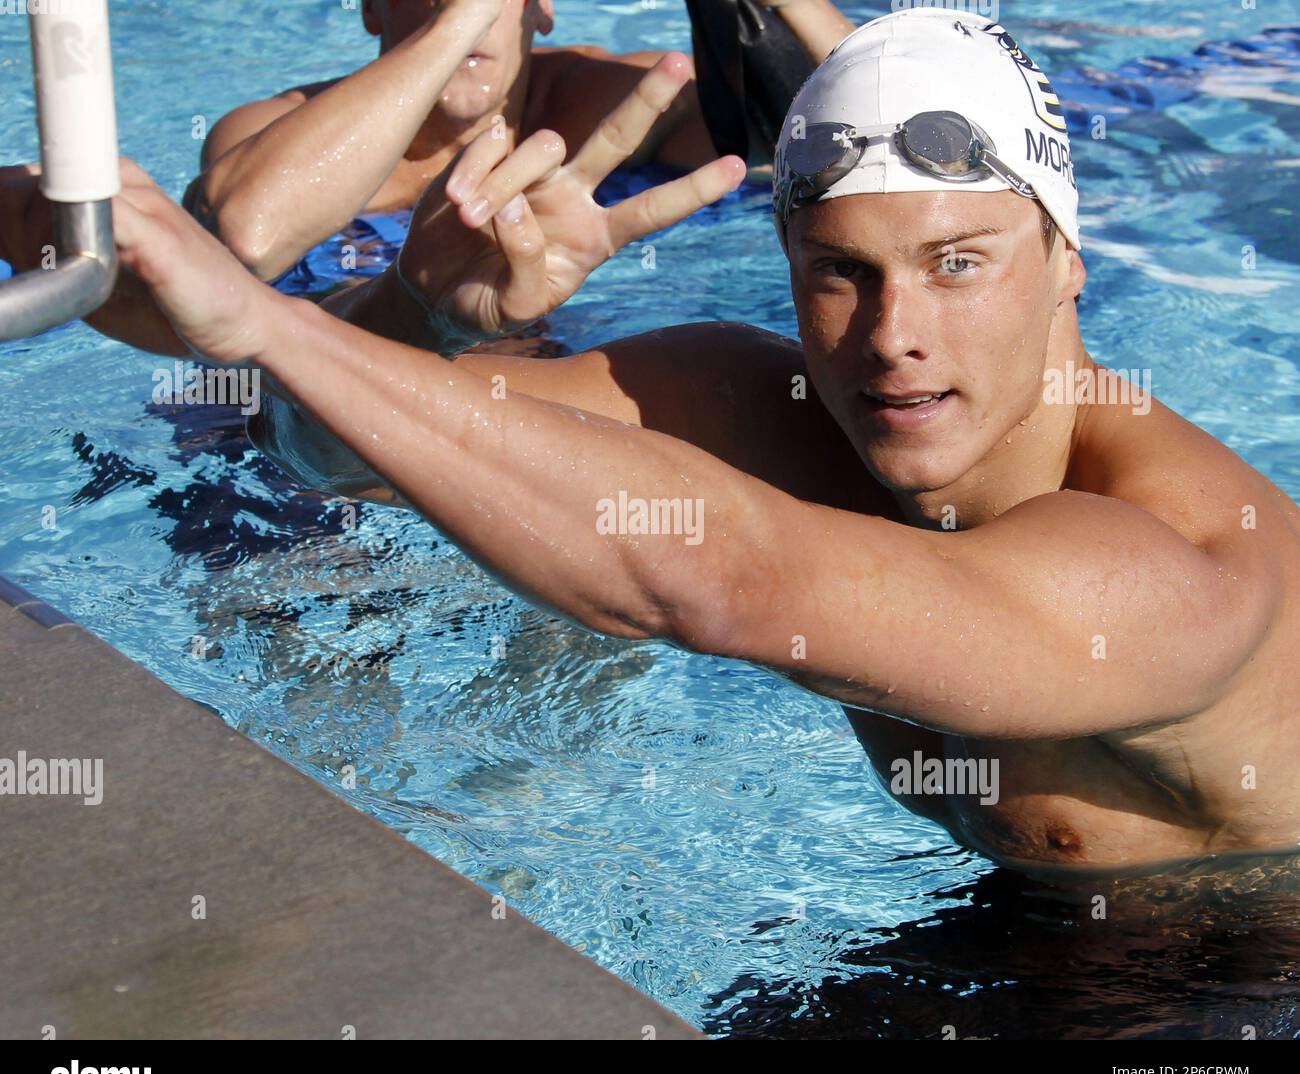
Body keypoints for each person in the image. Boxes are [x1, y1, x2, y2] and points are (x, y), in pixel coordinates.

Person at [87, 10, 1300, 873]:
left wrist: (265, 323)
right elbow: (331, 458)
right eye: (841, 273)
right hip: (1005, 939)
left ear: (1067, 262)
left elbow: (723, 581)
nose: (894, 338)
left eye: (958, 264)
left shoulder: (1170, 570)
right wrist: (418, 313)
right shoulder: (753, 396)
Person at [182, 0, 854, 284]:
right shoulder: (274, 130)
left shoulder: (609, 101)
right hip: (302, 434)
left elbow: (856, 135)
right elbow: (251, 237)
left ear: (542, 7)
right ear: (371, 7)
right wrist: (461, 24)